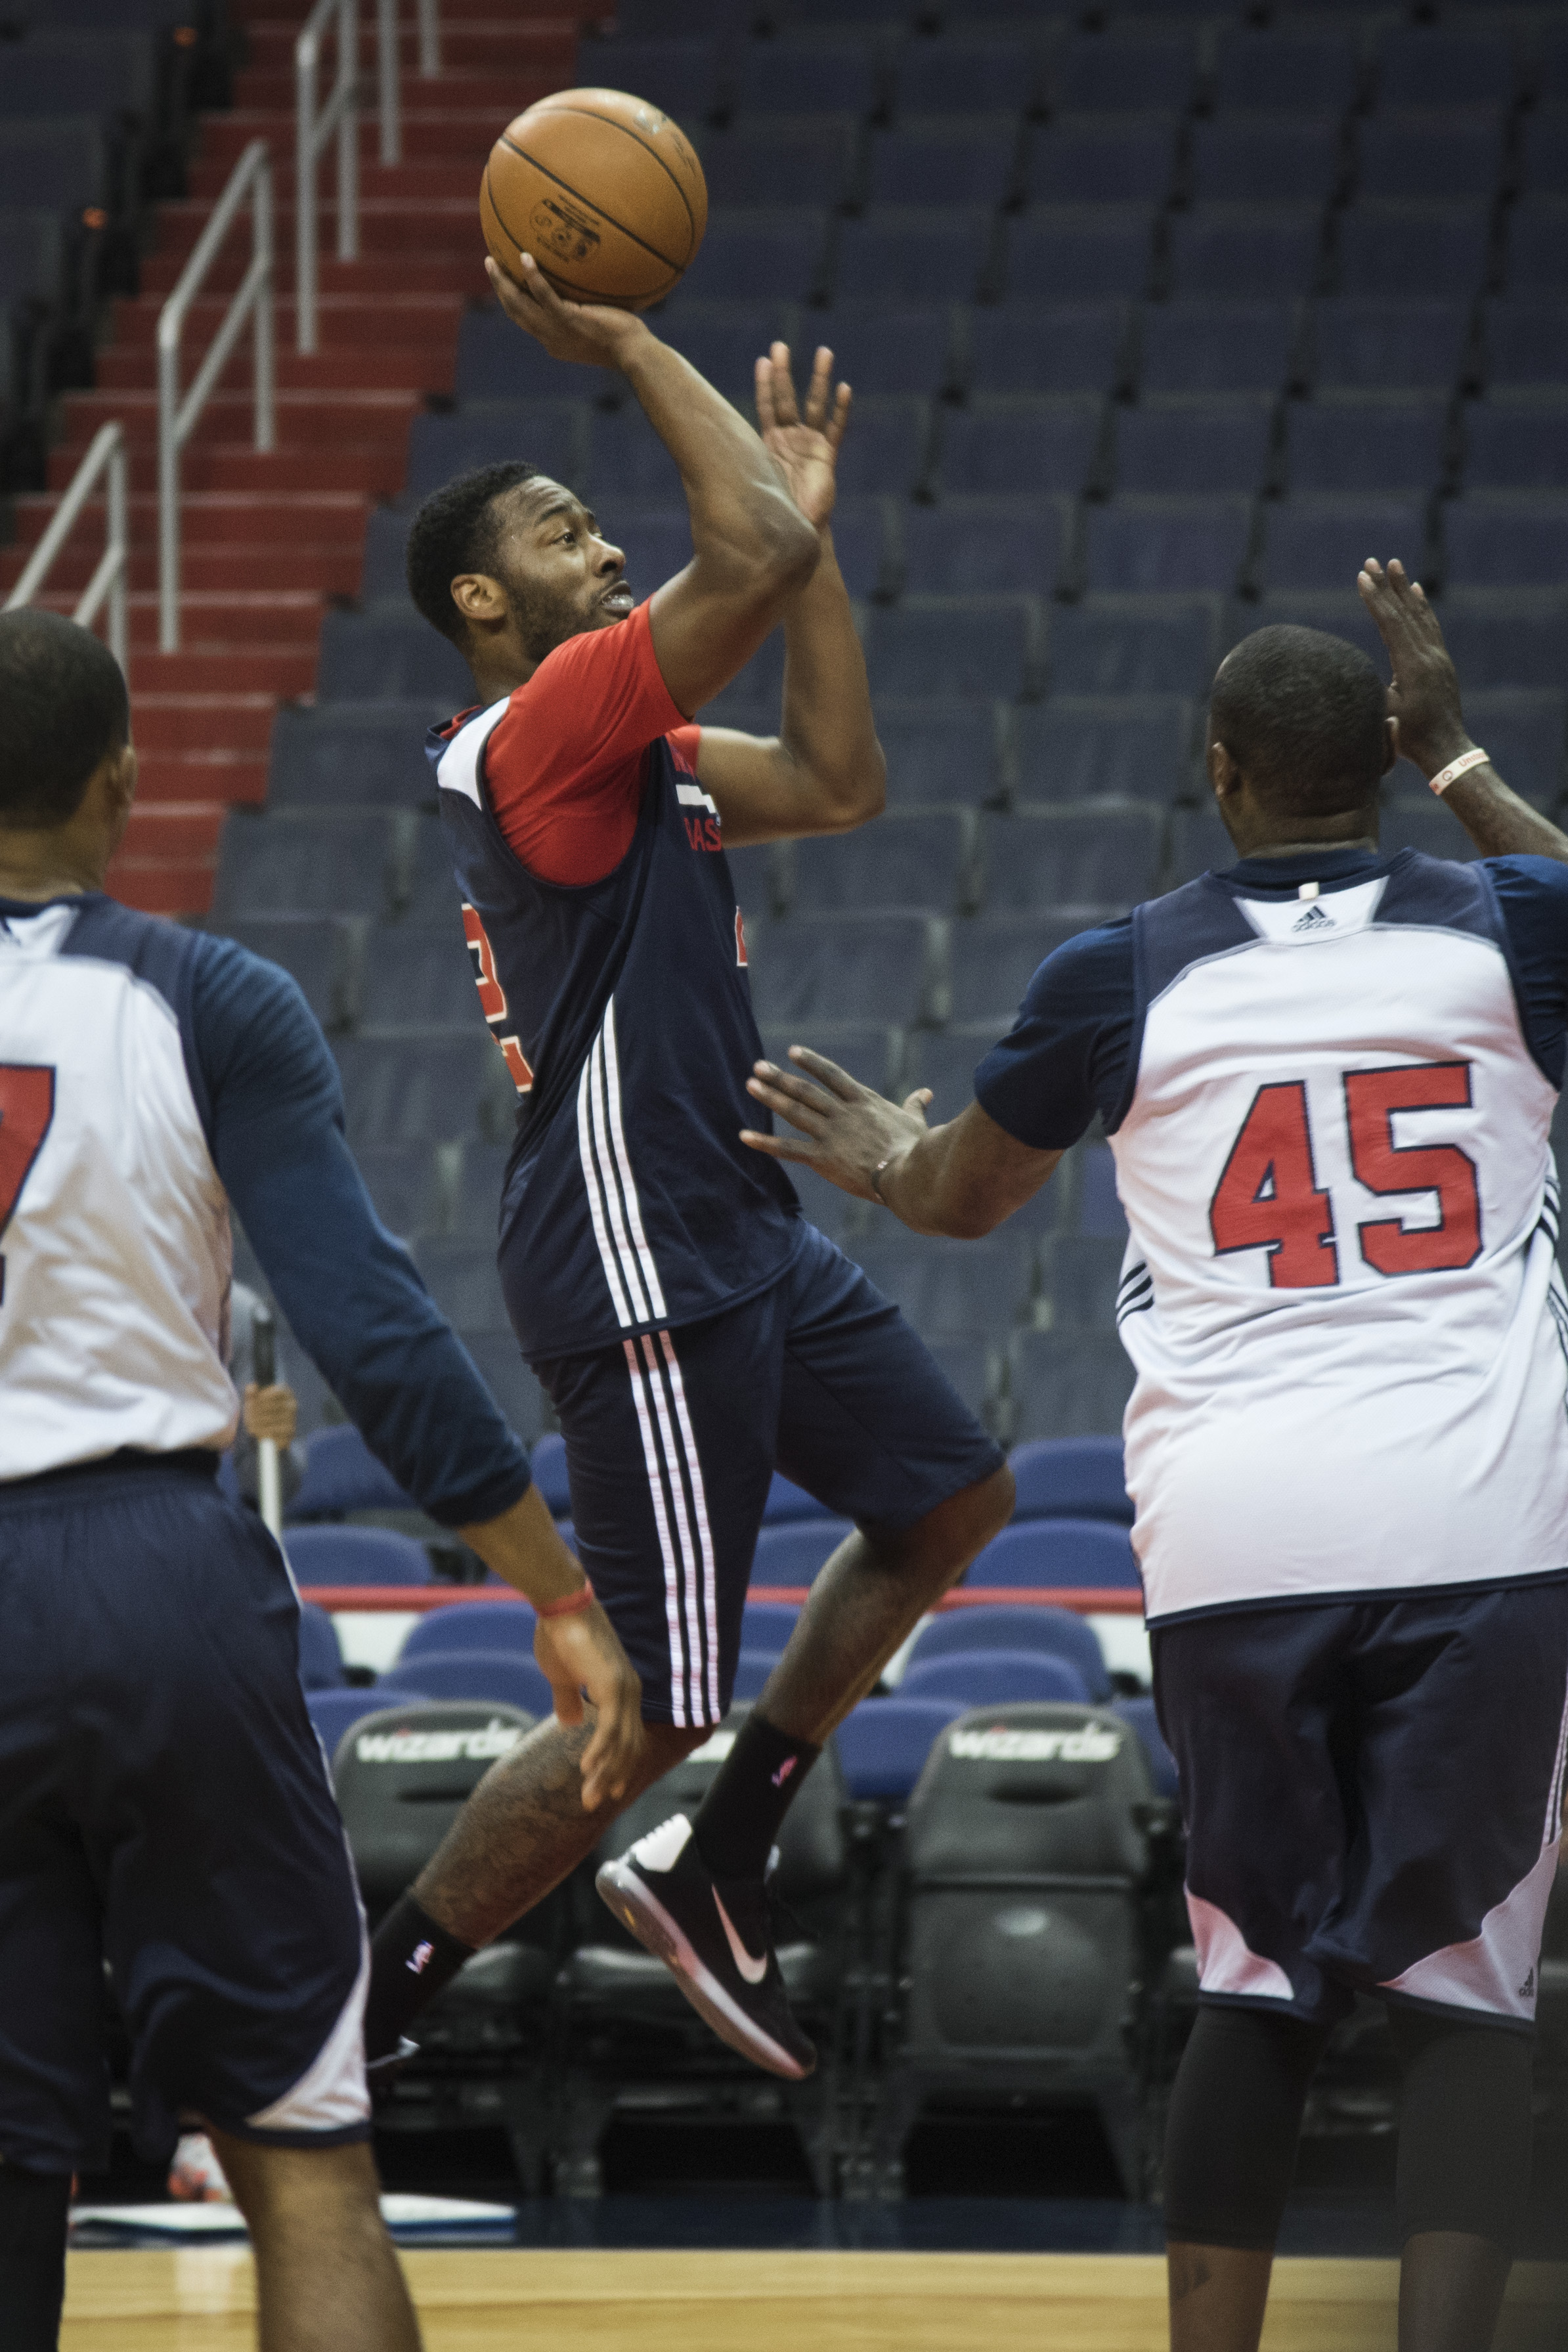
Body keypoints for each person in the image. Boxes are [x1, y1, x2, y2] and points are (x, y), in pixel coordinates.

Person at [736, 561, 1568, 2352]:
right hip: (1481, 1515)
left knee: (1250, 1981)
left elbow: (958, 1196)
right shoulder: (1508, 923)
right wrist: (1469, 760)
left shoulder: (1119, 969)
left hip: (1238, 1536)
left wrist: (890, 1149)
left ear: (1216, 772)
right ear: (1383, 755)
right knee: (1465, 2001)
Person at [362, 251, 1014, 2087]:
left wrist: (806, 546)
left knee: (948, 1502)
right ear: (488, 598)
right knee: (642, 1704)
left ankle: (719, 1857)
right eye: (571, 530)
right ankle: (335, 2034)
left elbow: (839, 774)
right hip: (635, 1254)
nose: (606, 544)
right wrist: (637, 339)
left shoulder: (636, 741)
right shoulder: (544, 730)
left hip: (734, 1222)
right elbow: (736, 565)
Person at [0, 608, 642, 2352]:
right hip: (156, 1577)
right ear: (120, 780)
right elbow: (368, 1327)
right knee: (299, 2144)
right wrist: (558, 1593)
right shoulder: (208, 997)